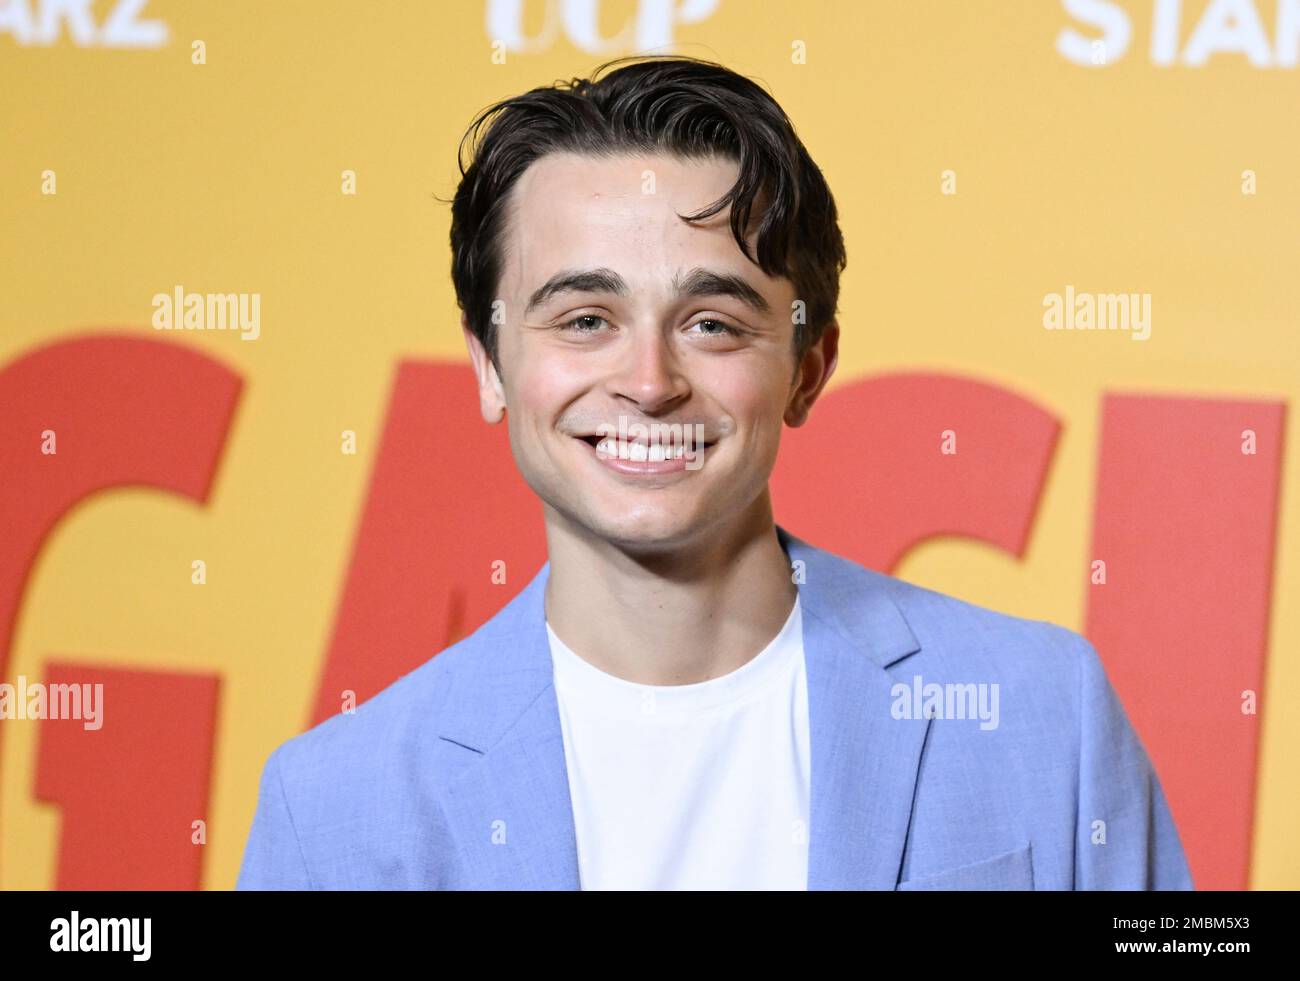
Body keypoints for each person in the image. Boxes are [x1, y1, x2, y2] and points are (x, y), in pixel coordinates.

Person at [236, 55, 1193, 891]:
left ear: (807, 368)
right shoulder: (332, 808)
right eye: (585, 320)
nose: (650, 382)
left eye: (712, 324)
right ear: (490, 364)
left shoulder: (1043, 711)